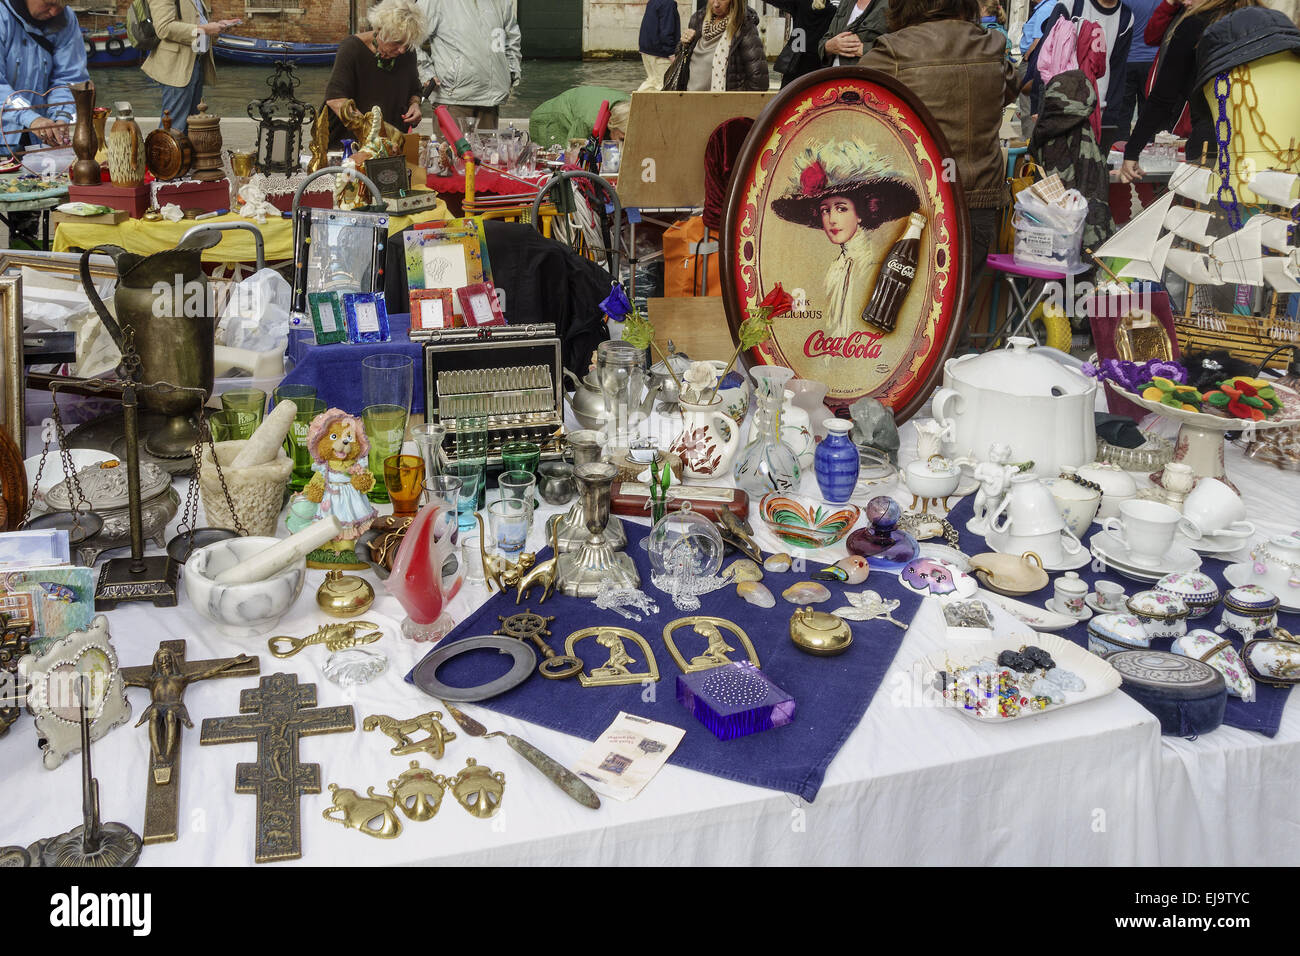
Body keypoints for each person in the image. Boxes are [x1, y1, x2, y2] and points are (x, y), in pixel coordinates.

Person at [859, 0, 1017, 277]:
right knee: (959, 310)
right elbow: (1011, 87)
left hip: (916, 205)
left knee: (912, 314)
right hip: (979, 203)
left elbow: (851, 101)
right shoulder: (991, 45)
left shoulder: (894, 51)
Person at [770, 139, 921, 336]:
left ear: (860, 212)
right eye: (825, 210)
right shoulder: (837, 267)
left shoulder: (872, 264)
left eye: (841, 208)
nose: (831, 219)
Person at [1118, 0, 1260, 182]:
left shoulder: (1195, 24)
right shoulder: (1263, 22)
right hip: (1262, 144)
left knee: (1205, 206)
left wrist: (1132, 151)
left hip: (1210, 145)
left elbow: (1163, 96)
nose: (1185, 2)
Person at [324, 0, 425, 149]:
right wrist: (373, 133)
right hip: (348, 145)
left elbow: (415, 89)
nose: (402, 50)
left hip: (391, 146)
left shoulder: (408, 53)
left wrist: (415, 105)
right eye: (397, 42)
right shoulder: (352, 49)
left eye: (407, 44)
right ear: (380, 30)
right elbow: (336, 100)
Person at [1029, 0, 1134, 140]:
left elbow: (1118, 70)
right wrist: (1037, 105)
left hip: (1098, 109)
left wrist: (1111, 115)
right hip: (1061, 106)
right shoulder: (1071, 5)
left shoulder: (1126, 16)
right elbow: (1046, 55)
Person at [415, 0, 520, 131]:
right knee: (451, 151)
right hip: (452, 98)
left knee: (488, 151)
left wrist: (510, 73)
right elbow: (410, 38)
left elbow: (512, 39)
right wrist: (426, 73)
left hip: (491, 99)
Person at [0, 0, 88, 150]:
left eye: (61, 6)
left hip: (37, 140)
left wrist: (61, 117)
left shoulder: (66, 19)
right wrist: (30, 118)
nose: (54, 12)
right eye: (49, 3)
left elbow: (69, 77)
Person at [142, 0, 239, 133]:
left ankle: (183, 154)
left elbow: (195, 18)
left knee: (190, 125)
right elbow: (163, 28)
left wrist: (216, 26)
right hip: (177, 66)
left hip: (196, 62)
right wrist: (205, 29)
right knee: (174, 127)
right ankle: (164, 154)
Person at [663, 0, 769, 92]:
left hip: (722, 108)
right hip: (689, 101)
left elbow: (759, 81)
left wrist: (733, 103)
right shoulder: (698, 20)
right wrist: (684, 44)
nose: (716, 4)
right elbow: (682, 60)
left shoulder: (743, 28)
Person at [1117, 0, 1163, 138]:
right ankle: (1146, 147)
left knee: (1123, 112)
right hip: (1152, 61)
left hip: (1127, 59)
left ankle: (1119, 148)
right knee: (1149, 111)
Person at [529, 87, 630, 148]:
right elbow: (572, 151)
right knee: (561, 162)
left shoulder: (633, 107)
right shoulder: (589, 122)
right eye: (622, 139)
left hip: (582, 106)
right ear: (612, 125)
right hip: (551, 117)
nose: (625, 146)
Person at [767, 0, 838, 87]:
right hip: (818, 63)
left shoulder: (801, 3)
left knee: (788, 97)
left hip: (796, 62)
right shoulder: (834, 12)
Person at [818, 0, 889, 66]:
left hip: (867, 76)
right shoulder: (846, 2)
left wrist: (864, 49)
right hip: (836, 74)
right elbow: (825, 39)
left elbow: (897, 47)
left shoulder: (892, 4)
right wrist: (828, 46)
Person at [638, 0, 680, 92]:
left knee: (651, 81)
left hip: (647, 50)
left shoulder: (652, 2)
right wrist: (671, 53)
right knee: (664, 85)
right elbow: (667, 31)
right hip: (661, 53)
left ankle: (633, 103)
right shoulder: (669, 4)